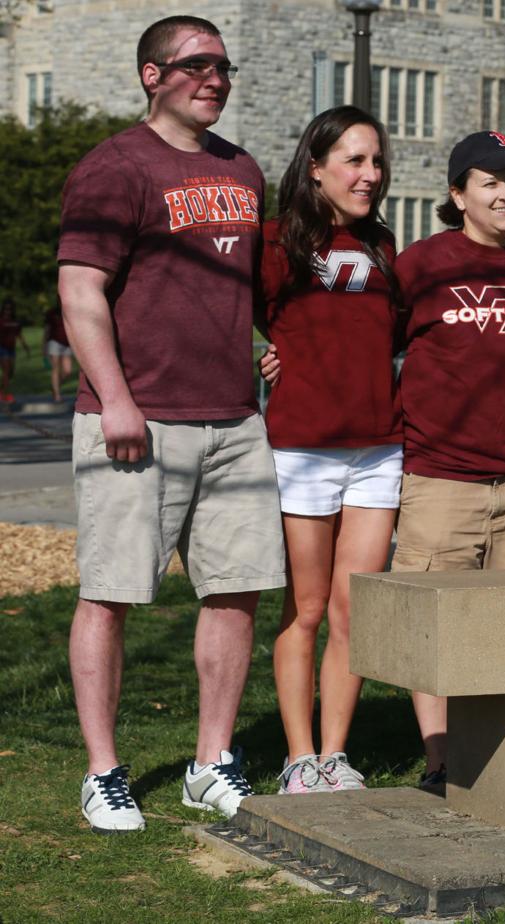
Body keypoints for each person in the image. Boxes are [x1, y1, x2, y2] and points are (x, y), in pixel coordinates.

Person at [57, 15, 286, 834]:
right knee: (111, 595)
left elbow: (232, 292)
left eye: (225, 65)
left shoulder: (243, 168)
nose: (215, 78)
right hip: (137, 422)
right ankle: (104, 772)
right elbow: (82, 290)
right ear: (152, 75)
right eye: (197, 65)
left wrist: (261, 349)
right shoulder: (115, 166)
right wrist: (116, 397)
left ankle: (210, 762)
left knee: (235, 592)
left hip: (234, 422)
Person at [394, 131, 505, 789]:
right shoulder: (423, 263)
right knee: (436, 628)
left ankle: (498, 758)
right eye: (491, 182)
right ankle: (443, 761)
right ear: (458, 194)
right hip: (441, 477)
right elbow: (373, 343)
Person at [258, 106, 403, 795]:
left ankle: (335, 757)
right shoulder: (275, 244)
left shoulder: (383, 245)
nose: (369, 174)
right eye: (353, 160)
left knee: (353, 610)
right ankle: (297, 756)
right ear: (315, 166)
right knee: (307, 608)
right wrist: (261, 354)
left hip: (378, 450)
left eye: (375, 161)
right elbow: (230, 319)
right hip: (304, 451)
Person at [0, 298, 32, 402]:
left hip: (11, 349)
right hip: (2, 348)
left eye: (10, 309)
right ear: (3, 309)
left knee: (11, 372)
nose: (7, 311)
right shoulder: (1, 320)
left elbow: (19, 335)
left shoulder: (15, 321)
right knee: (6, 371)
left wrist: (25, 347)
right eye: (6, 309)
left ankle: (2, 391)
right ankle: (5, 396)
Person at [43, 301, 74, 401]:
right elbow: (47, 330)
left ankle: (55, 387)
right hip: (54, 342)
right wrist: (44, 347)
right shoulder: (52, 313)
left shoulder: (71, 311)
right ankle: (57, 395)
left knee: (67, 371)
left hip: (67, 343)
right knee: (56, 368)